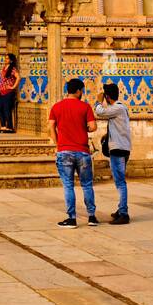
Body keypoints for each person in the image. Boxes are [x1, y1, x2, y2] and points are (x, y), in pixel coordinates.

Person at [48, 77, 97, 227]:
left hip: (64, 151)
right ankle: (92, 217)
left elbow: (50, 127)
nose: (82, 93)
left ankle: (71, 218)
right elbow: (93, 126)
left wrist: (58, 144)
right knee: (87, 185)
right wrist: (85, 128)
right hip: (82, 151)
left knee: (68, 185)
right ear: (78, 91)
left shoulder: (56, 107)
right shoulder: (85, 107)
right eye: (81, 90)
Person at [94, 82, 132, 224]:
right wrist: (107, 134)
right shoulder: (120, 108)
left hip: (118, 149)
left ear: (108, 96)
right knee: (120, 181)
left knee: (120, 182)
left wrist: (98, 101)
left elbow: (99, 112)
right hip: (122, 147)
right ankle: (121, 208)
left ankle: (124, 213)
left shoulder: (118, 108)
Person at [0, 54, 21, 133]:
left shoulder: (12, 69)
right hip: (2, 92)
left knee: (7, 110)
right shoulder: (3, 69)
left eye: (7, 58)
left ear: (11, 60)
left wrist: (13, 87)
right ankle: (3, 126)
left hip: (9, 92)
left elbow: (18, 77)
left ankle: (9, 127)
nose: (5, 60)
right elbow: (1, 81)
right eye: (5, 58)